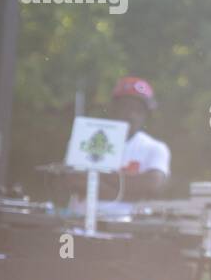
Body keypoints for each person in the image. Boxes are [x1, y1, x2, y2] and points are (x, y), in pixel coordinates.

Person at [64, 75, 171, 213]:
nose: (131, 114)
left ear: (146, 115)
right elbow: (74, 181)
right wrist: (132, 193)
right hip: (79, 228)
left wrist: (94, 174)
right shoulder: (84, 137)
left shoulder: (155, 148)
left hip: (130, 231)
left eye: (138, 109)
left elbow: (152, 185)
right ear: (113, 108)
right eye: (125, 106)